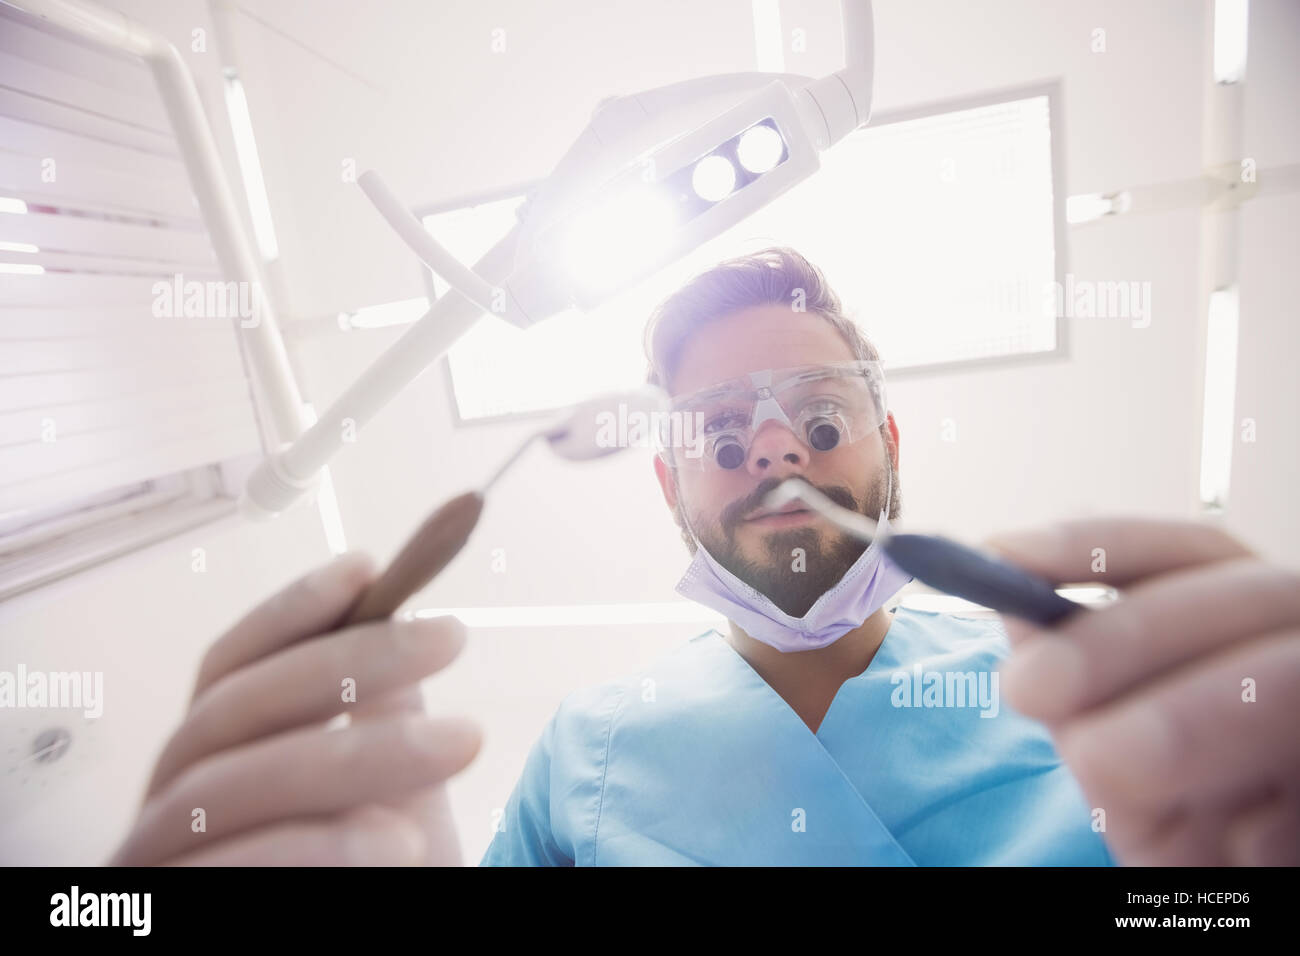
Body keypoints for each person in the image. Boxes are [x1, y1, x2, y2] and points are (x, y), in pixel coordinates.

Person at [110, 248, 1299, 866]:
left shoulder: (1096, 693)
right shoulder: (587, 752)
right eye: (722, 431)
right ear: (667, 479)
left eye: (820, 418)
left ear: (886, 446)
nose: (774, 446)